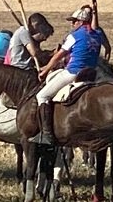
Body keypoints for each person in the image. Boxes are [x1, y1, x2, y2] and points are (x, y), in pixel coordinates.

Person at [34, 9, 103, 145]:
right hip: (92, 74)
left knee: (42, 96)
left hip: (73, 73)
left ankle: (46, 134)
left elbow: (59, 56)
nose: (72, 24)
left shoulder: (74, 36)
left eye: (74, 21)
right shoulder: (97, 35)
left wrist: (45, 70)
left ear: (81, 22)